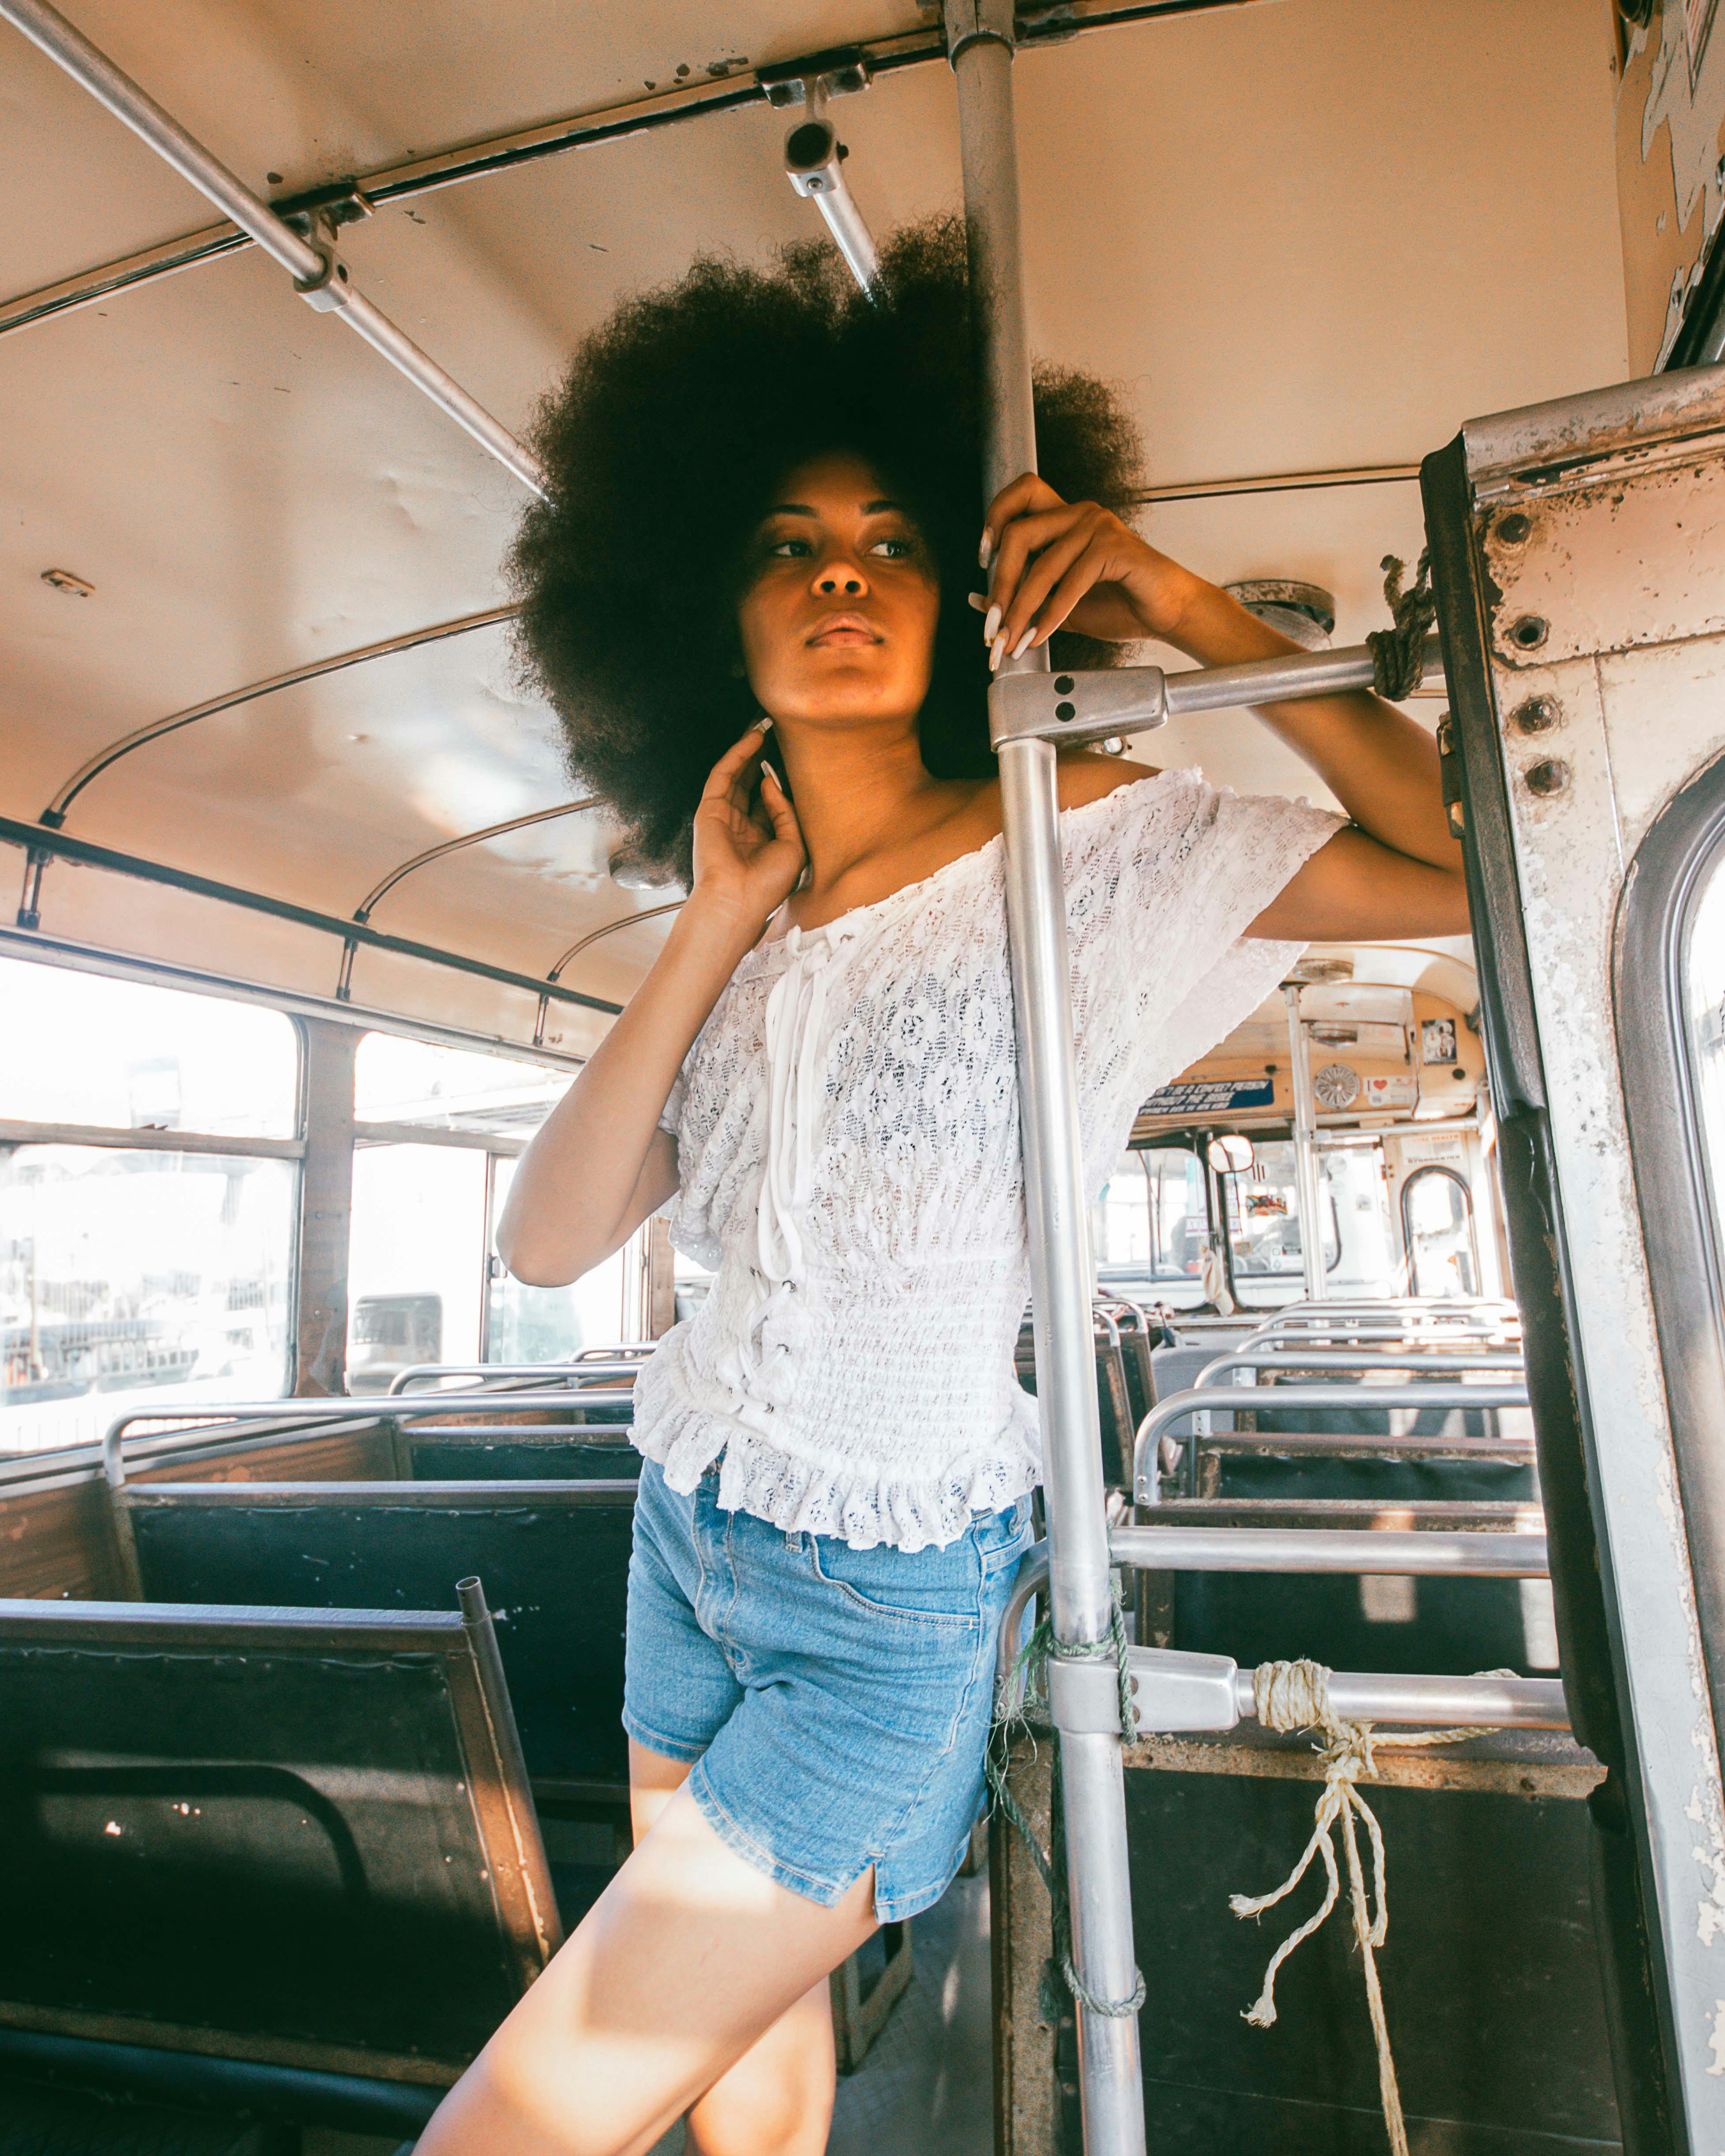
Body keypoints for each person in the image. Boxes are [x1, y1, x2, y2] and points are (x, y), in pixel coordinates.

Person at [413, 220, 1467, 2156]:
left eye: (895, 535)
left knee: (510, 2123)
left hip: (885, 1585)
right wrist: (714, 918)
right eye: (788, 541)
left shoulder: (1100, 854)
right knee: (747, 2065)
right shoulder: (732, 927)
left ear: (973, 588)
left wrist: (1182, 603)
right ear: (697, 614)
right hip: (687, 1531)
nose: (841, 568)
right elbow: (549, 1235)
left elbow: (1468, 860)